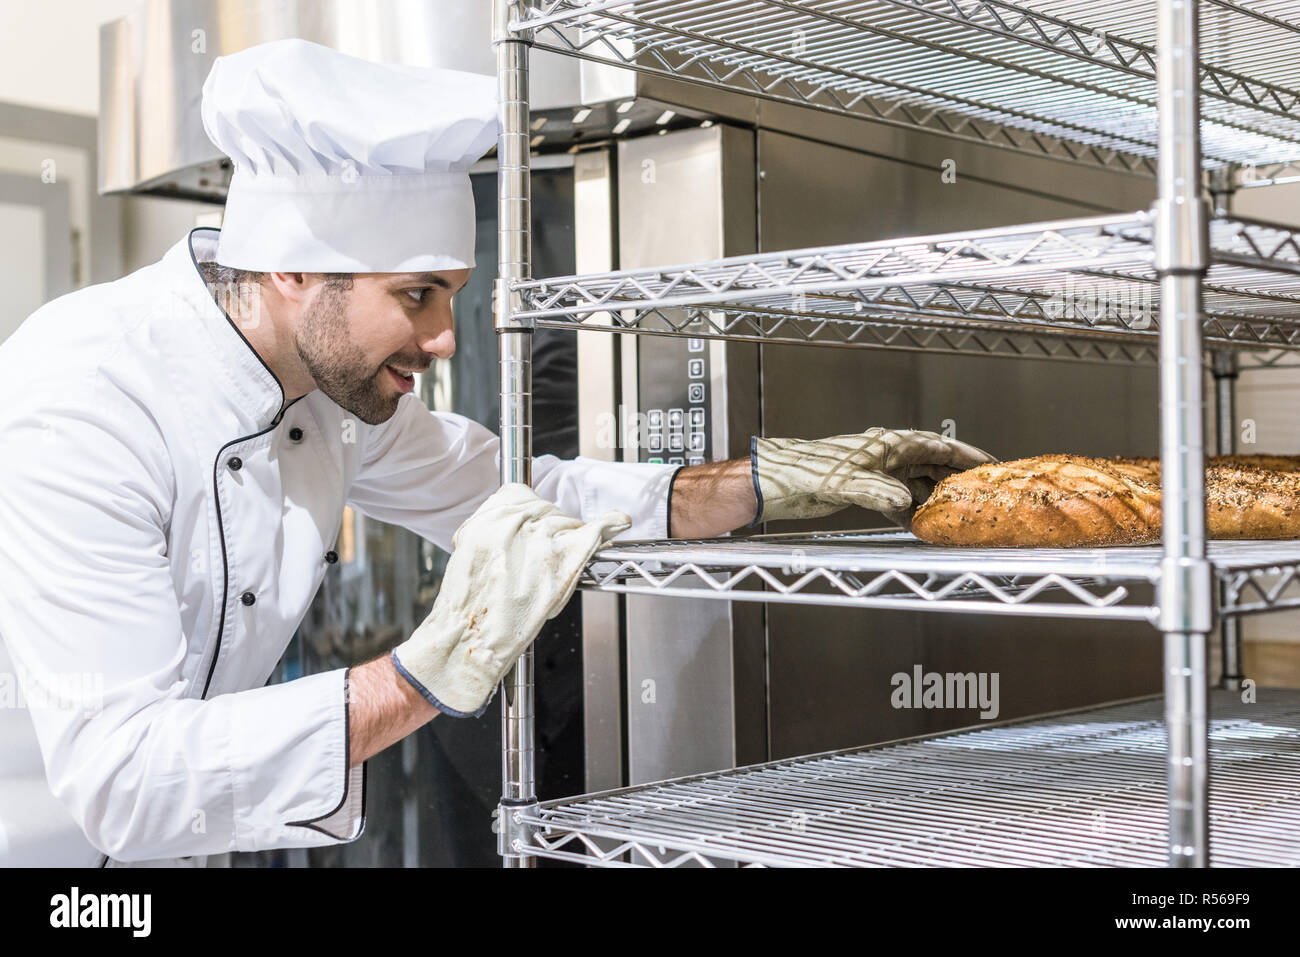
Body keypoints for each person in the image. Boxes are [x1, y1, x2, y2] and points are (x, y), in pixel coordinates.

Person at [0, 39, 993, 867]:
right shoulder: (84, 399)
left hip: (191, 829)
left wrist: (762, 481)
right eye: (418, 296)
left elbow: (520, 495)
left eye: (452, 297)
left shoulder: (326, 386)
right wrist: (428, 672)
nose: (446, 340)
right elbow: (123, 783)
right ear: (298, 269)